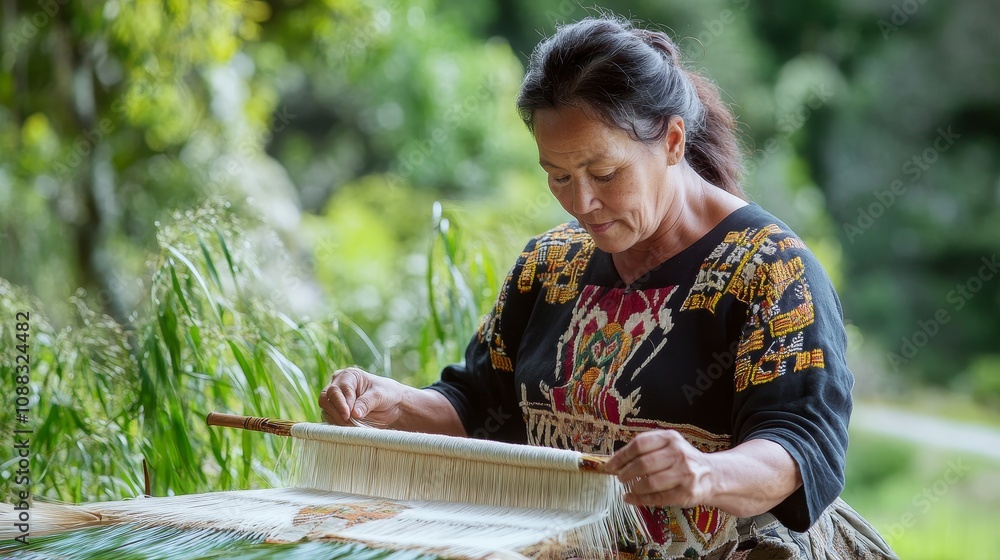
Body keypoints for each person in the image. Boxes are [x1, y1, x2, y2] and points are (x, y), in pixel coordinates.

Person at [319, 15, 898, 560]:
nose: (582, 203)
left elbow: (801, 448)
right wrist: (392, 403)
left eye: (604, 173)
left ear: (672, 141)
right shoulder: (551, 265)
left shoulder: (768, 272)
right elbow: (480, 404)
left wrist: (703, 473)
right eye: (559, 177)